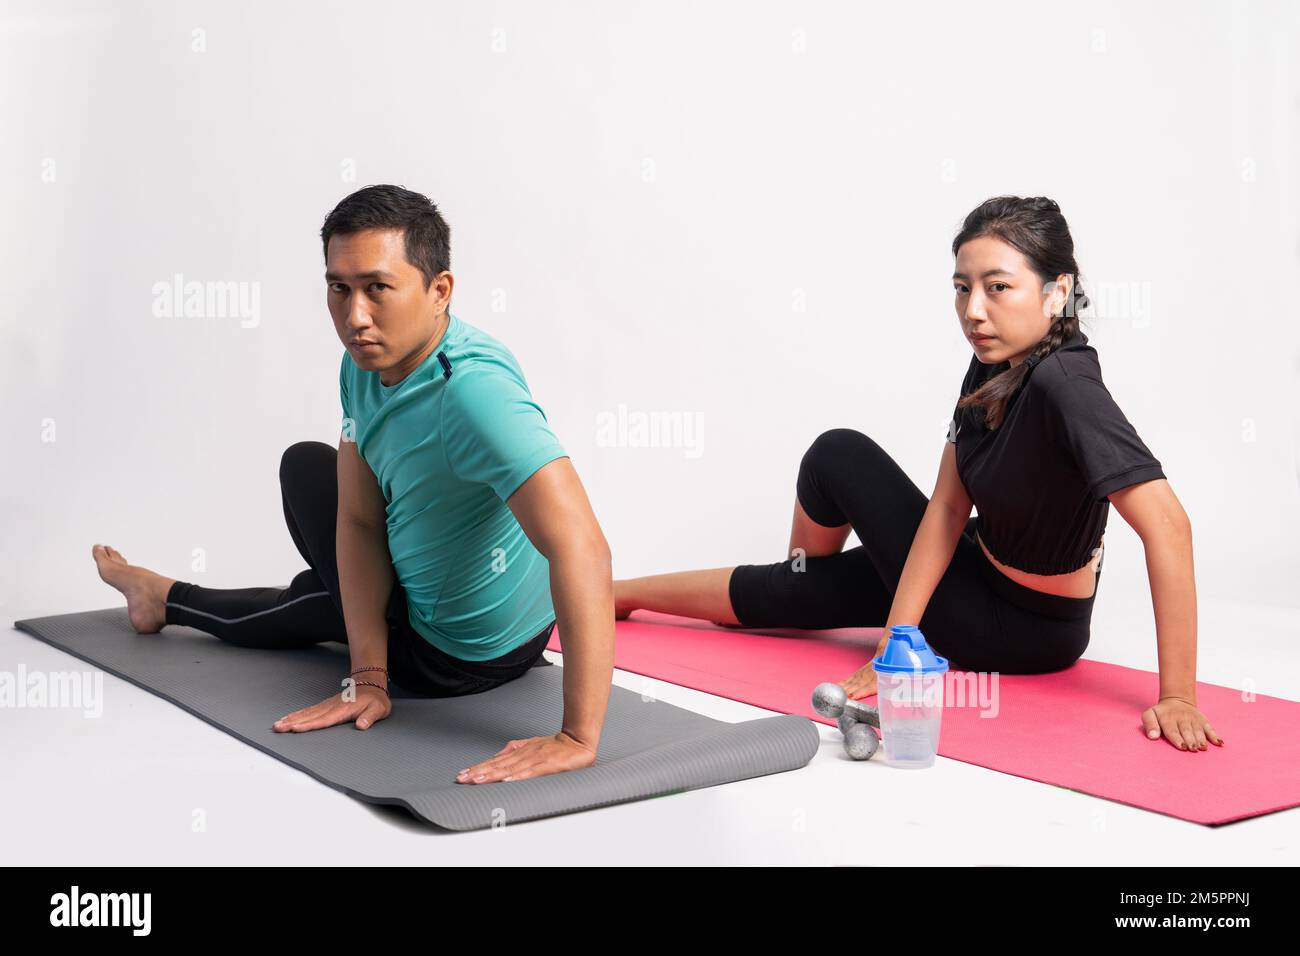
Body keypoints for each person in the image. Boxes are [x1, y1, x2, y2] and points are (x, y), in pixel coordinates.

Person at [614, 195, 1221, 752]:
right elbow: (949, 507)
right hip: (971, 574)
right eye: (962, 288)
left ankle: (798, 581)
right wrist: (895, 636)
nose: (973, 311)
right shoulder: (994, 360)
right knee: (799, 579)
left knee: (838, 453)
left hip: (1019, 629)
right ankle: (619, 596)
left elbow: (1169, 526)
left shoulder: (1068, 386)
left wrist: (1179, 697)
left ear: (1057, 293)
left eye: (998, 287)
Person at [93, 184, 615, 784]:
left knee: (314, 584)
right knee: (312, 478)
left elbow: (583, 546)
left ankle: (167, 599)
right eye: (338, 289)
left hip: (455, 656)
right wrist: (366, 677)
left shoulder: (474, 393)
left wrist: (577, 736)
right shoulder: (362, 364)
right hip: (498, 628)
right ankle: (169, 599)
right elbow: (361, 517)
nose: (354, 317)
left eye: (377, 288)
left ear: (440, 290)